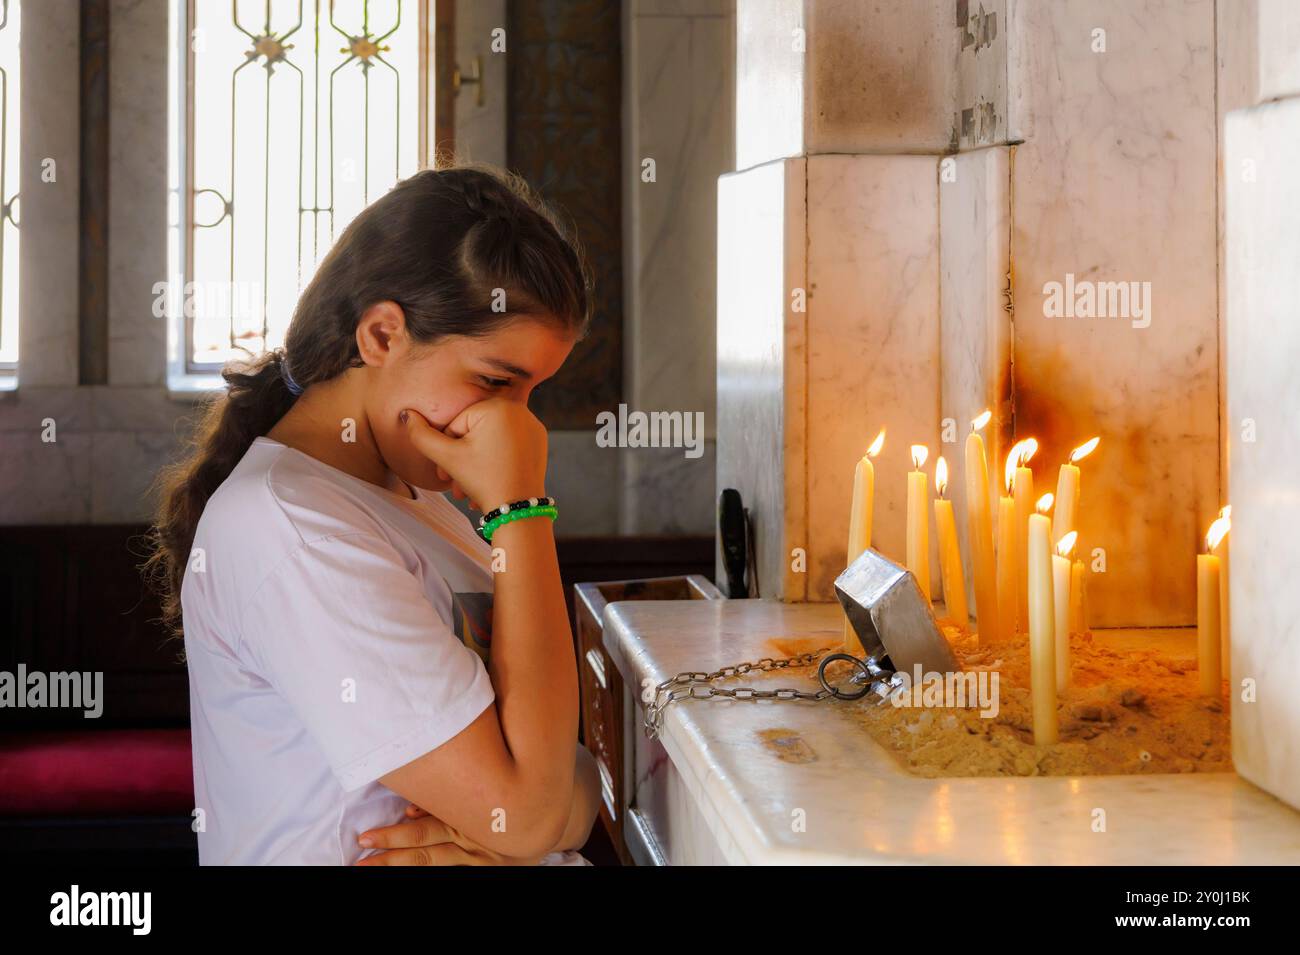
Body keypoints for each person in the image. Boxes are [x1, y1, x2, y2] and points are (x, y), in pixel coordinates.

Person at [145, 164, 600, 865]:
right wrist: (521, 508)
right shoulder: (291, 528)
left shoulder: (420, 502)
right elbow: (532, 810)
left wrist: (550, 813)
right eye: (494, 381)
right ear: (382, 336)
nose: (516, 428)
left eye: (531, 393)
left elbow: (572, 776)